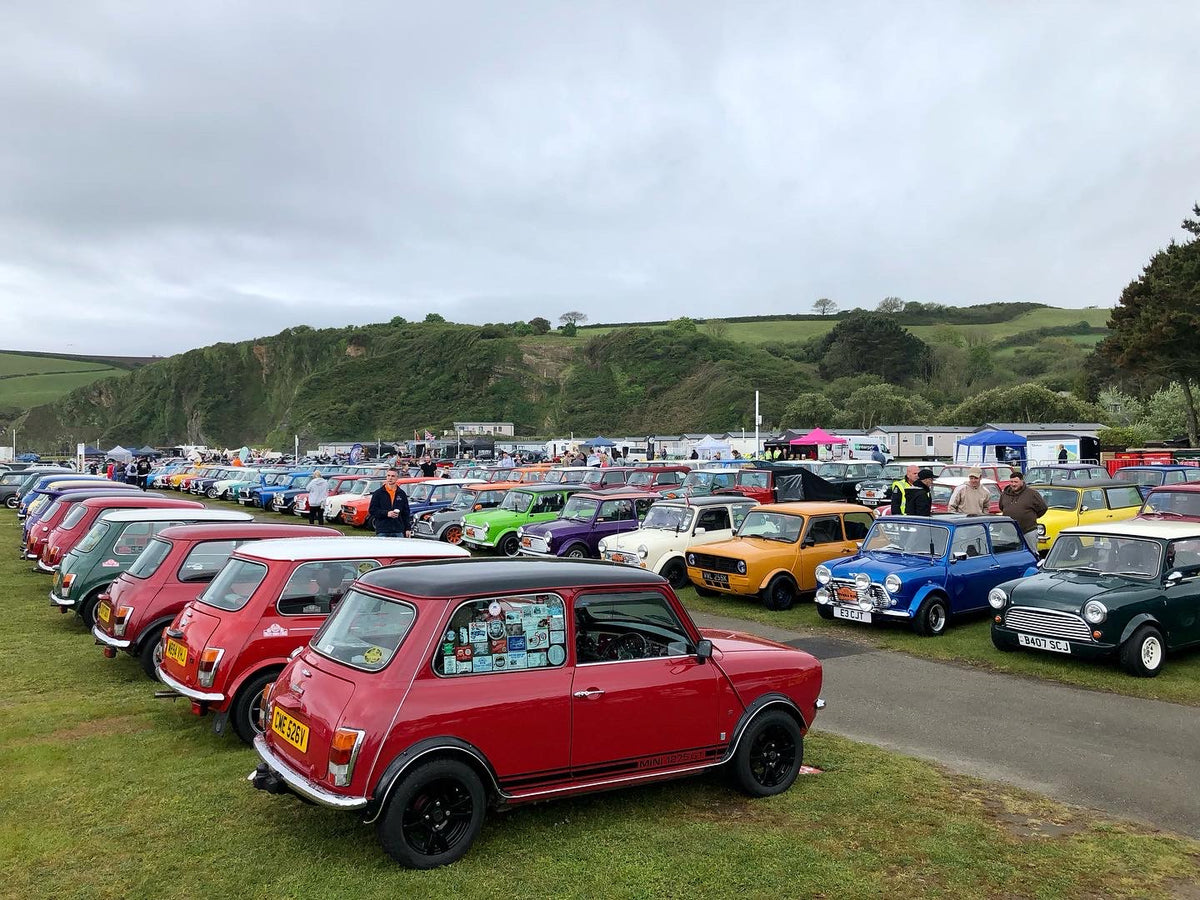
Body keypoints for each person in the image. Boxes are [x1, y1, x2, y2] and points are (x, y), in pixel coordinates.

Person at [998, 470, 1048, 553]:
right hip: (1008, 533)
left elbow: (1043, 508)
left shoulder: (1032, 494)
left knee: (1032, 553)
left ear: (1022, 481)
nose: (1013, 484)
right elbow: (1001, 507)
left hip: (1028, 531)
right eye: (1011, 482)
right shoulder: (1004, 494)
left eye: (1016, 482)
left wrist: (1031, 517)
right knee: (1006, 554)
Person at [367, 468, 412, 537]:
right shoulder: (378, 493)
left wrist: (408, 528)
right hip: (382, 530)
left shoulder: (401, 494)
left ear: (397, 478)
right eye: (388, 475)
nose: (390, 478)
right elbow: (372, 510)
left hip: (398, 530)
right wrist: (386, 513)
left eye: (393, 476)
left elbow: (406, 513)